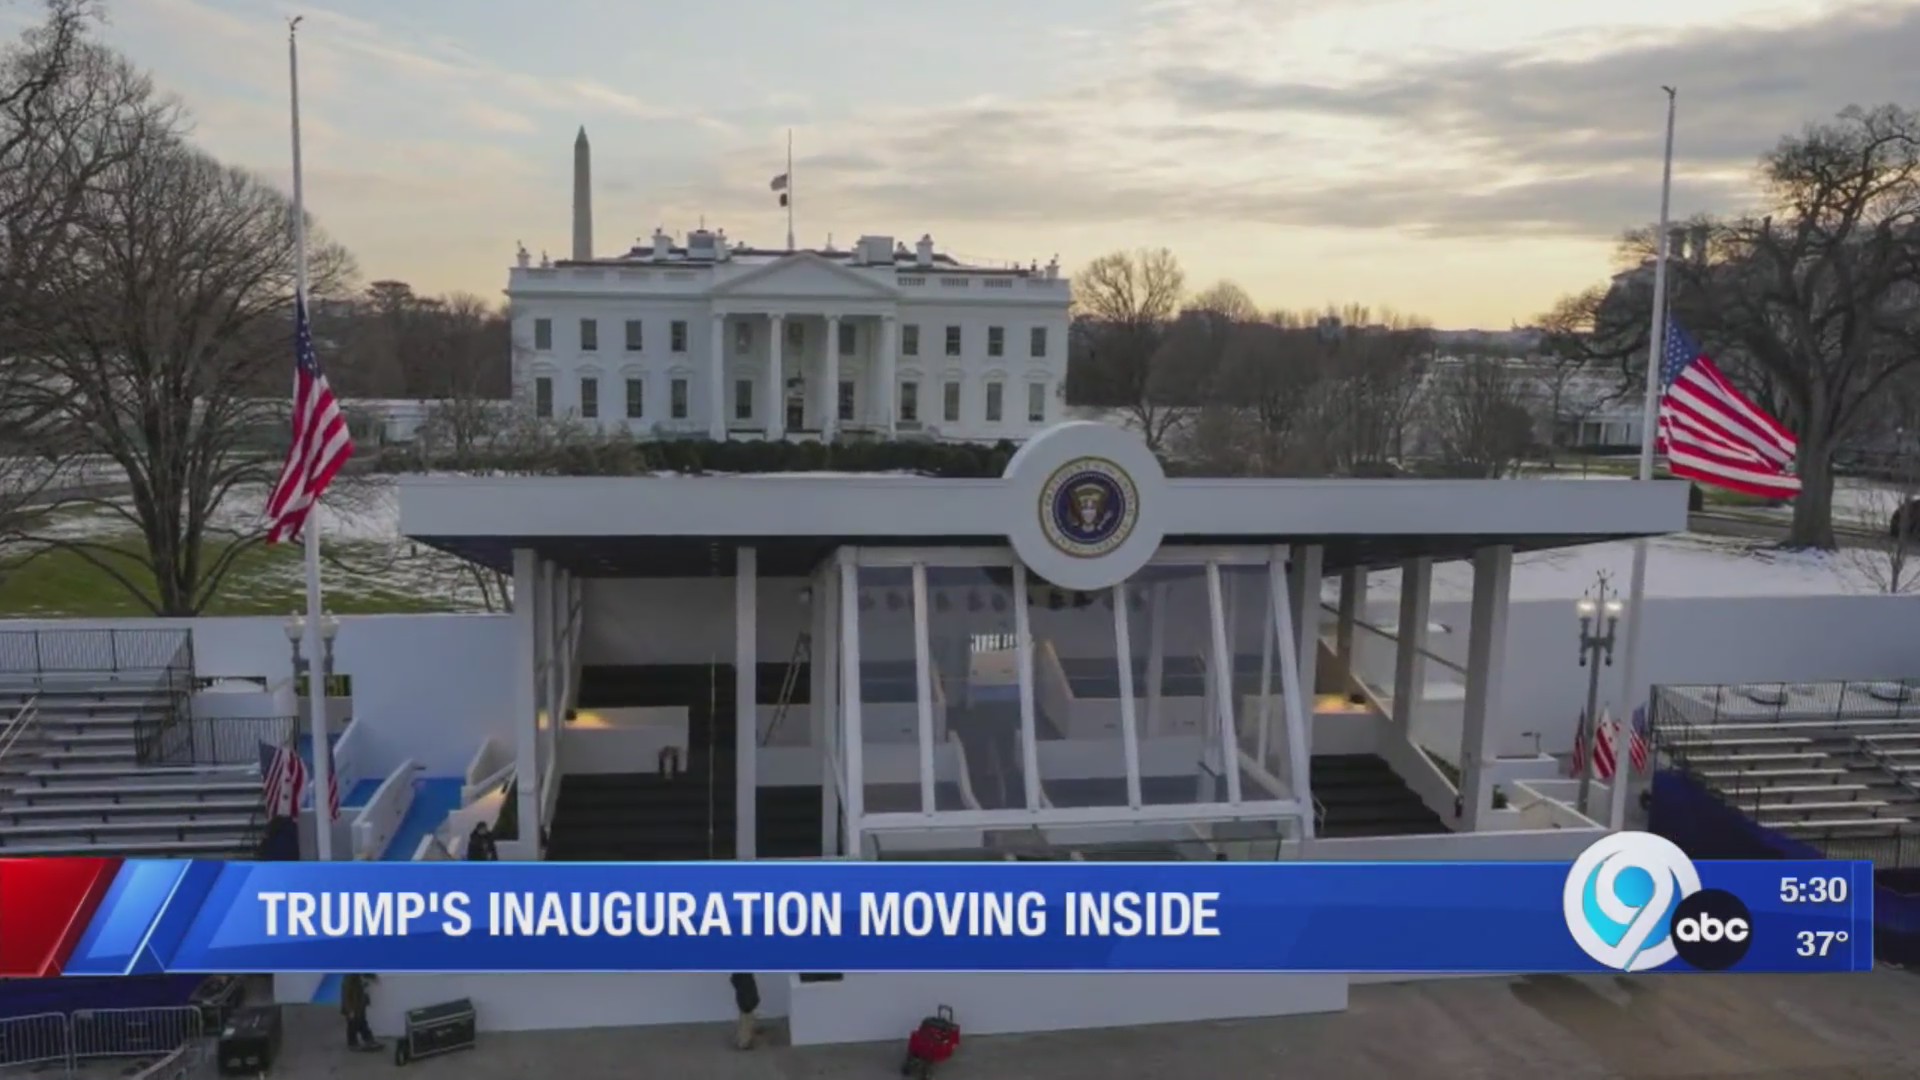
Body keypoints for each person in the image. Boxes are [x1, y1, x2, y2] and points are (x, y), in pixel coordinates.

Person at [341, 973, 379, 1050]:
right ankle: (353, 1043)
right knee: (353, 1024)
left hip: (359, 1003)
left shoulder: (358, 975)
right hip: (353, 1006)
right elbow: (346, 995)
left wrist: (373, 976)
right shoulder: (350, 978)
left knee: (362, 1022)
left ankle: (368, 1040)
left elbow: (367, 974)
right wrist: (349, 1010)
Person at [728, 973, 759, 1050]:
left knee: (744, 1019)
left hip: (744, 1002)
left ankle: (742, 1040)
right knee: (746, 1019)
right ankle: (744, 1042)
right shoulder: (744, 976)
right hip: (746, 1004)